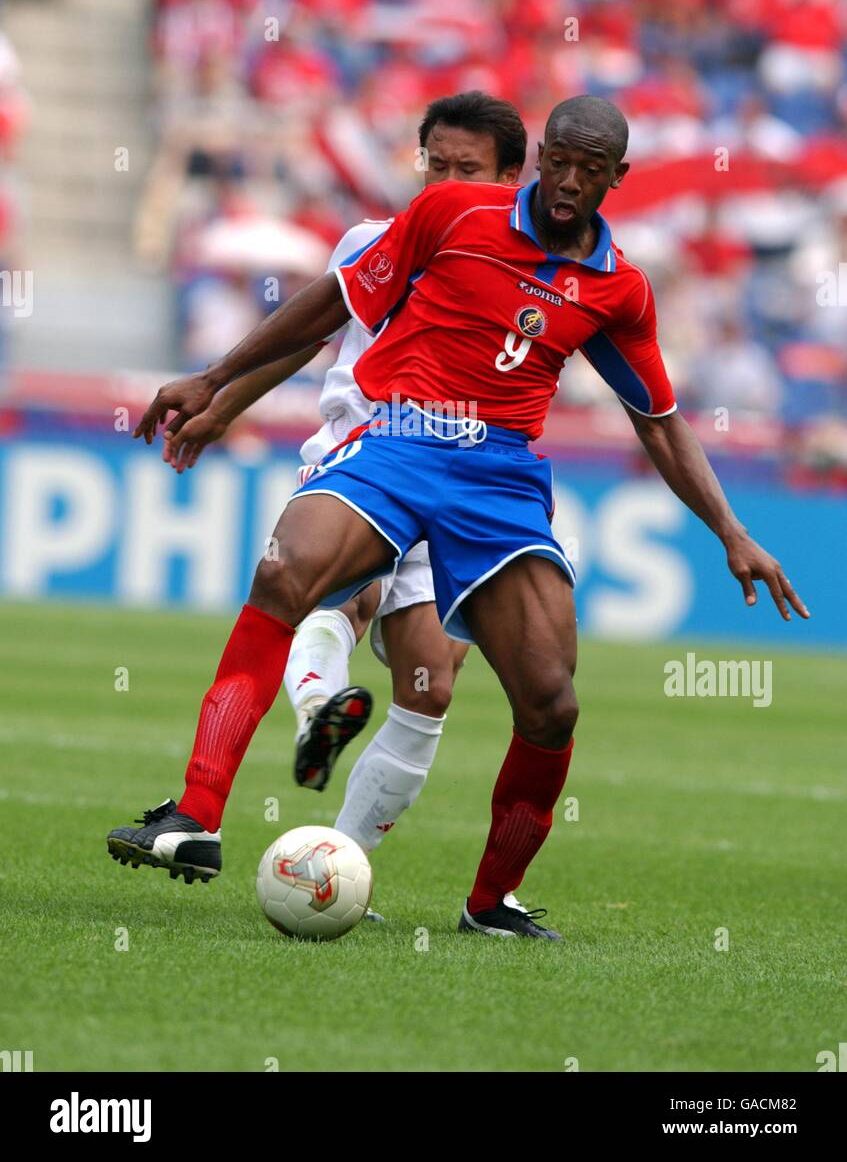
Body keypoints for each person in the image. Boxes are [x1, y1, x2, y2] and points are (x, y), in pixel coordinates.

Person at [108, 95, 808, 940]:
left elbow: (657, 420)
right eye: (561, 162)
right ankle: (195, 816)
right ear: (541, 155)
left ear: (616, 179)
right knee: (284, 573)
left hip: (501, 476)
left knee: (550, 702)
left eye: (592, 172)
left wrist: (731, 533)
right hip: (400, 436)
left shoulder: (619, 290)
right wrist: (211, 383)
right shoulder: (449, 210)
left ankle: (490, 903)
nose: (569, 183)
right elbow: (332, 305)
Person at [162, 92, 525, 867]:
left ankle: (335, 865)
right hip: (361, 455)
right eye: (436, 163)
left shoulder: (530, 271)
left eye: (469, 170)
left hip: (461, 479)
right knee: (337, 593)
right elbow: (309, 332)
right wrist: (224, 405)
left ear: (509, 179)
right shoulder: (375, 240)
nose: (446, 180)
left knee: (427, 682)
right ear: (417, 159)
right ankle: (316, 713)